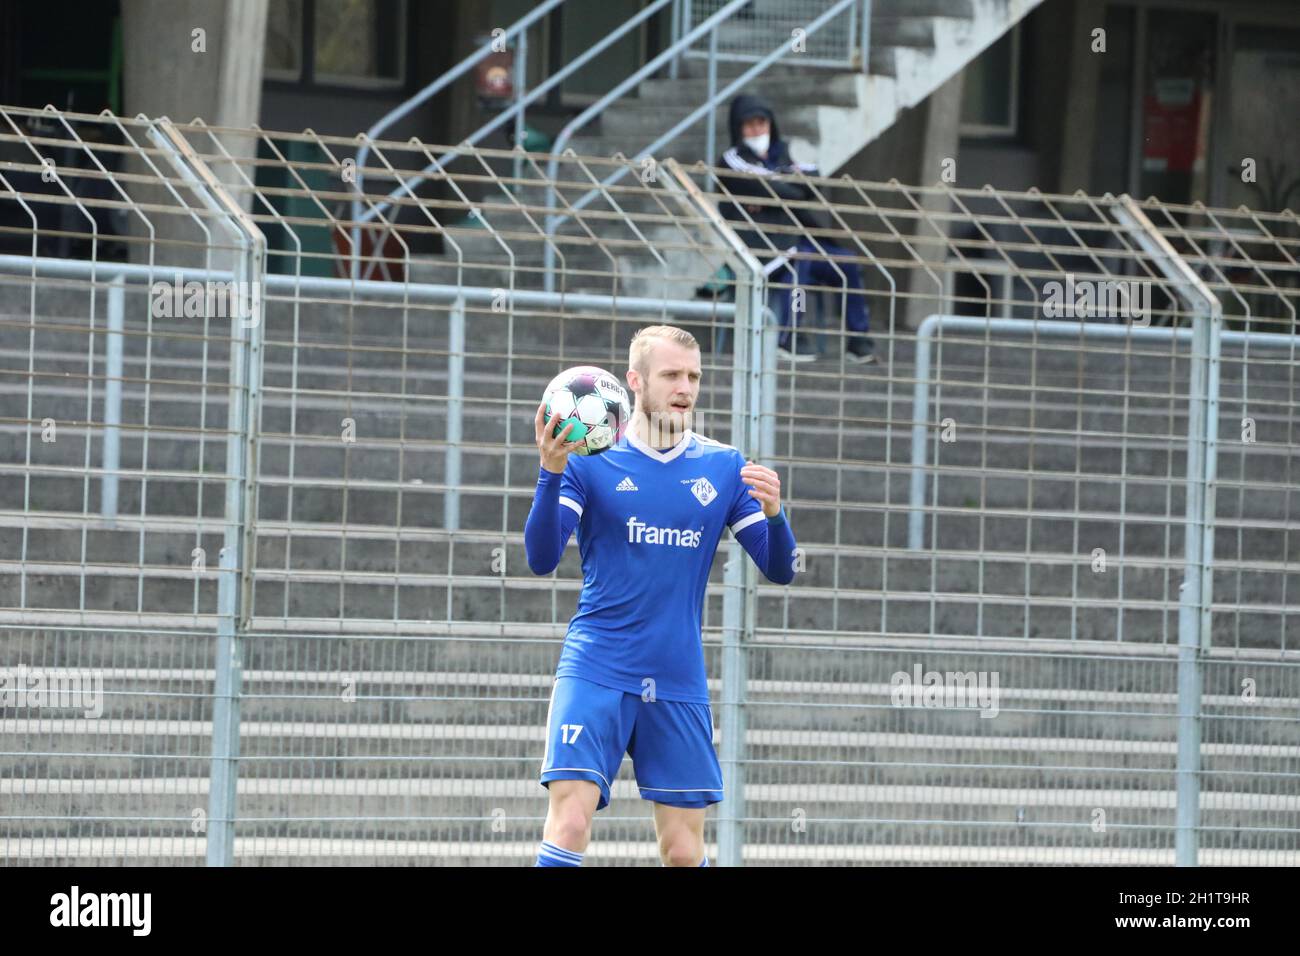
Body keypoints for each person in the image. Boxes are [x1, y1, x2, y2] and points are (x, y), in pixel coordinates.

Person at [524, 324, 799, 866]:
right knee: (572, 820)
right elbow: (540, 558)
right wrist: (549, 473)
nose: (685, 387)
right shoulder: (589, 460)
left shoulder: (723, 467)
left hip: (676, 675)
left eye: (694, 376)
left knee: (681, 850)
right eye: (671, 374)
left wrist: (776, 514)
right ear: (634, 382)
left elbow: (780, 568)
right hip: (597, 665)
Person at [715, 92, 875, 364]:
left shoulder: (782, 154)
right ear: (738, 128)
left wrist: (773, 195)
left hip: (794, 244)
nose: (757, 130)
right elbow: (766, 184)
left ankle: (858, 341)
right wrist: (786, 188)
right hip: (759, 250)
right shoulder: (731, 159)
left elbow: (813, 178)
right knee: (796, 261)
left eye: (762, 123)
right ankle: (790, 337)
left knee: (846, 263)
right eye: (750, 125)